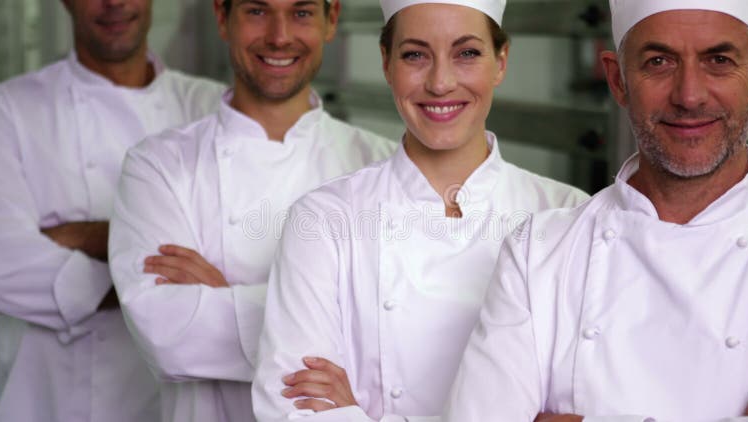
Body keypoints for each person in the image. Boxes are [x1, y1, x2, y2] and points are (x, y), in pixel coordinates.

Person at [444, 0, 748, 421]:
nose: (689, 95)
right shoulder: (538, 252)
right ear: (617, 79)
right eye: (659, 61)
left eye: (718, 60)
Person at [251, 0, 589, 420]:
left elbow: (588, 399)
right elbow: (292, 409)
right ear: (386, 64)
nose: (441, 83)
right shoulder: (324, 219)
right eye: (415, 55)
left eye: (466, 53)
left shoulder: (570, 217)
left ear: (500, 62)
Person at [107, 0, 396, 421]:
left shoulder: (380, 167)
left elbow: (396, 333)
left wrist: (222, 297)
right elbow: (165, 335)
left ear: (331, 20)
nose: (279, 36)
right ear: (222, 18)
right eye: (258, 11)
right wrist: (335, 308)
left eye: (301, 12)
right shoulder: (159, 166)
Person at [0, 1, 226, 421]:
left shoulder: (210, 107)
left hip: (173, 407)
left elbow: (236, 249)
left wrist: (84, 238)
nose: (115, 2)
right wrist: (161, 282)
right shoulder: (8, 109)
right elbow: (1, 261)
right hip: (48, 403)